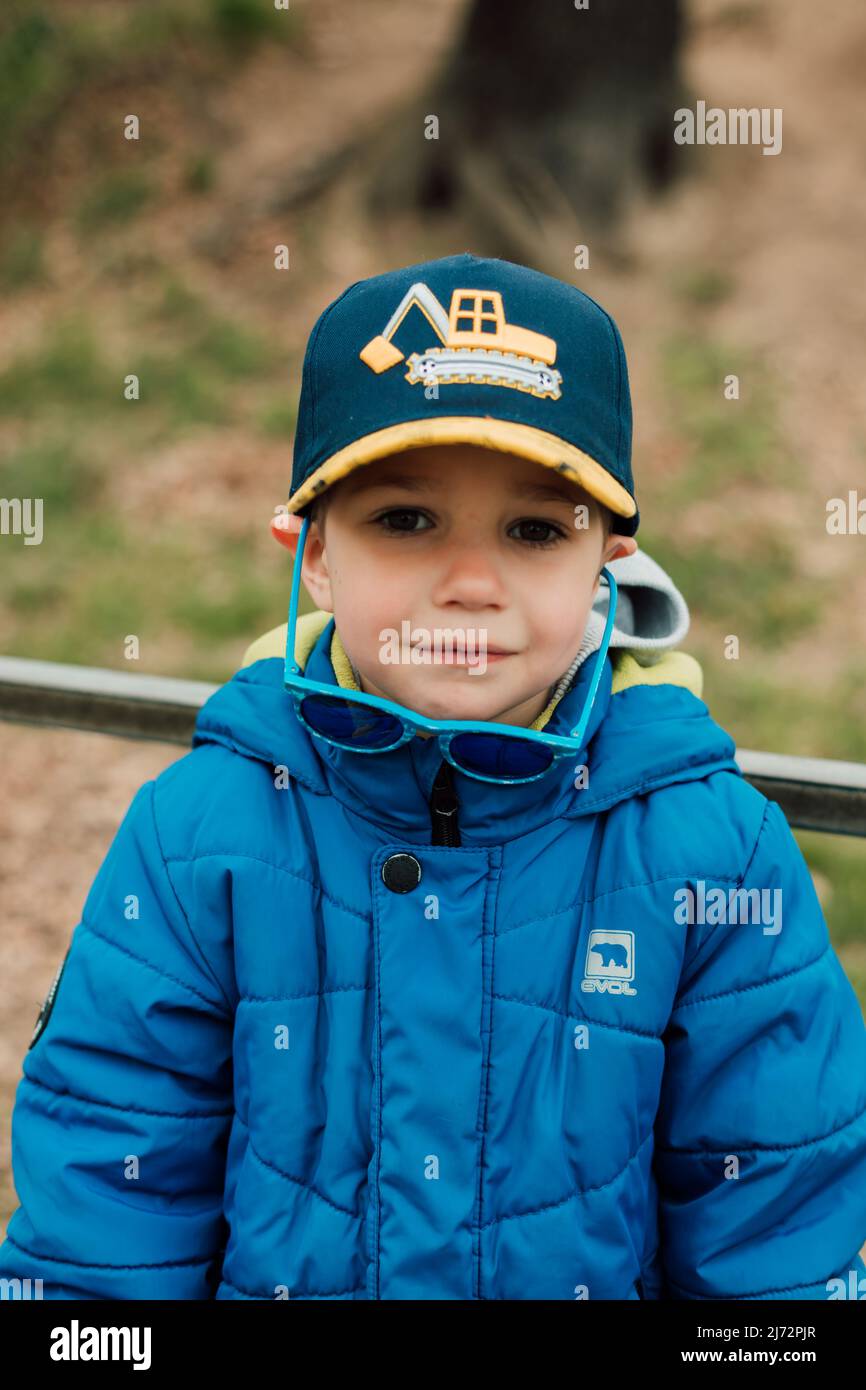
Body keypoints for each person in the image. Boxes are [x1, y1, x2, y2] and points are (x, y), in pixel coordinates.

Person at [1, 252, 864, 1301]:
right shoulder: (198, 836)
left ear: (608, 561)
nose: (467, 583)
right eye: (404, 520)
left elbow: (772, 1238)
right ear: (312, 553)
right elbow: (106, 1221)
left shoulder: (711, 852)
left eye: (534, 529)